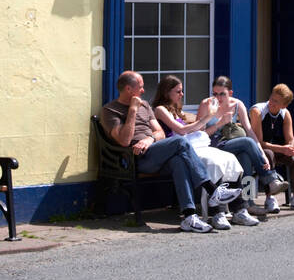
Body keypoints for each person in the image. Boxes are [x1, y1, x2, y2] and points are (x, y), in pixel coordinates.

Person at [100, 71, 242, 233]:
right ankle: (212, 190)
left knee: (179, 161)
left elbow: (159, 133)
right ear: (128, 89)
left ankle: (189, 216)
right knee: (180, 141)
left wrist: (149, 139)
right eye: (140, 87)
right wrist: (132, 110)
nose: (144, 91)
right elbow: (124, 141)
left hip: (154, 150)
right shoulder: (110, 111)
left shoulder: (145, 106)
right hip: (136, 158)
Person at [151, 75, 259, 228]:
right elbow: (184, 131)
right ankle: (218, 213)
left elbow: (248, 129)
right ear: (167, 92)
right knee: (218, 161)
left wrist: (260, 150)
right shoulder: (162, 109)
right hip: (196, 148)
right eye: (178, 91)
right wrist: (211, 118)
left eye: (222, 94)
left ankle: (242, 208)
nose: (182, 94)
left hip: (202, 146)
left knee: (234, 159)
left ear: (231, 93)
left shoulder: (176, 109)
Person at [207, 76, 289, 210]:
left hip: (235, 145)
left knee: (245, 156)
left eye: (222, 94)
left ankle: (248, 203)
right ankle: (269, 179)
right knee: (247, 142)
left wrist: (261, 154)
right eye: (215, 93)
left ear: (231, 93)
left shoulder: (238, 105)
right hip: (215, 146)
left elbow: (250, 131)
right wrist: (220, 123)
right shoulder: (208, 104)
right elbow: (200, 134)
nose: (218, 98)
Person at [249, 83, 294, 212]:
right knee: (268, 153)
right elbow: (259, 143)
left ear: (284, 105)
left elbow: (290, 138)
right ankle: (270, 198)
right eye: (272, 98)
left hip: (275, 147)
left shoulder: (285, 113)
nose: (272, 103)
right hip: (257, 150)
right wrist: (283, 149)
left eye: (276, 102)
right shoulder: (257, 111)